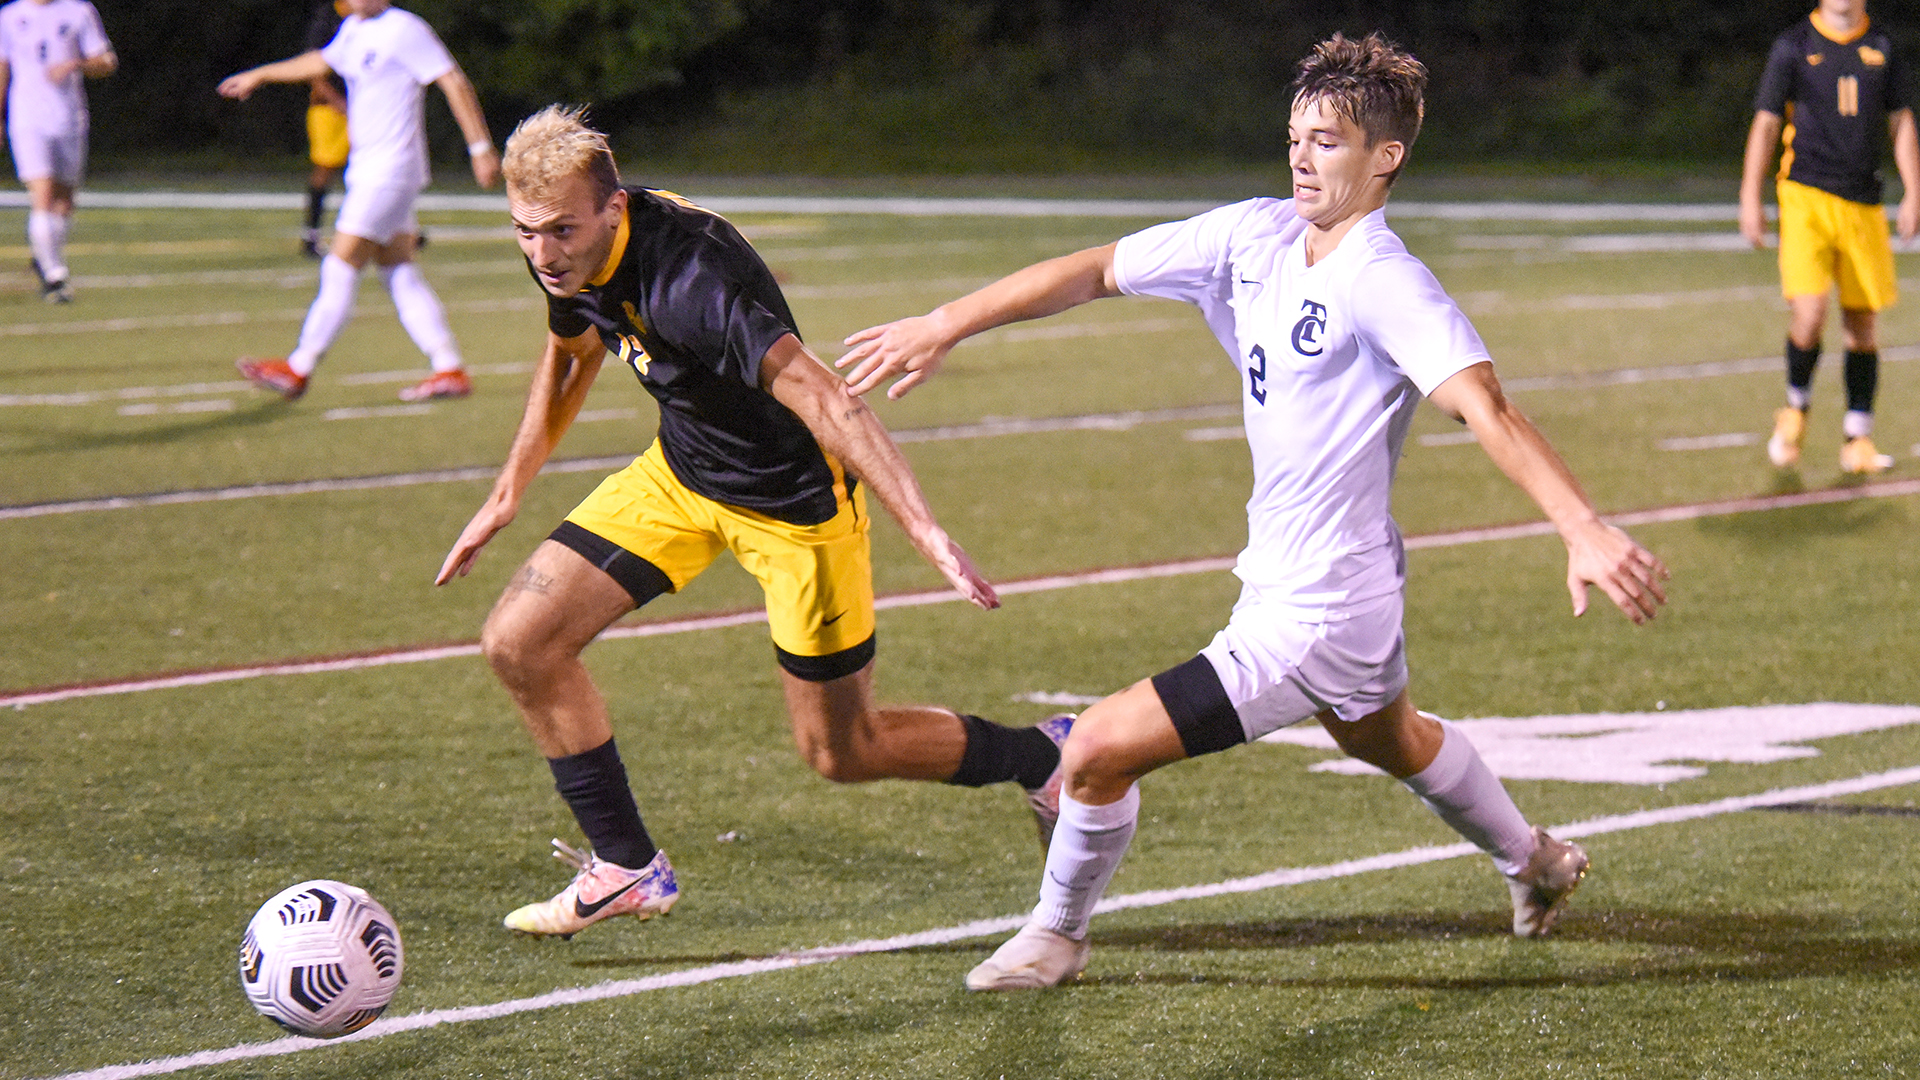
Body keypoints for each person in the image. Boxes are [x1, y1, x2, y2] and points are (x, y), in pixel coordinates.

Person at [839, 32, 1670, 991]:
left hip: (1319, 608)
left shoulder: (1382, 278)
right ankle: (1537, 862)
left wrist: (1581, 525)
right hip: (1328, 582)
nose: (1301, 158)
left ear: (1385, 157)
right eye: (1295, 137)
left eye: (1327, 142)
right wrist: (947, 322)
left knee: (1098, 750)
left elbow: (1485, 404)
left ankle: (1057, 933)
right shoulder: (1254, 236)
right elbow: (1097, 268)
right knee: (1388, 737)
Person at [433, 105, 1073, 938]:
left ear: (614, 208)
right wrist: (509, 488)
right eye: (525, 232)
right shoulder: (562, 252)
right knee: (519, 642)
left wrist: (923, 527)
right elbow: (572, 345)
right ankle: (626, 865)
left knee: (841, 752)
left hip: (793, 507)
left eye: (560, 231)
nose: (543, 253)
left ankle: (1046, 757)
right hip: (681, 476)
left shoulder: (693, 281)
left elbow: (824, 396)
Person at [218, 0, 495, 403]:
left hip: (389, 170)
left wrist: (481, 147)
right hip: (371, 169)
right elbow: (318, 62)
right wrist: (260, 75)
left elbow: (453, 80)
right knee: (397, 268)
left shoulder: (405, 28)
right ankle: (448, 367)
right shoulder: (354, 30)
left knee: (340, 263)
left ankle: (300, 366)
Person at [1739, 0, 1918, 475]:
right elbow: (1766, 122)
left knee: (1862, 325)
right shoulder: (1793, 46)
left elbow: (1900, 120)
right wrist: (1749, 196)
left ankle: (1857, 437)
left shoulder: (1881, 46)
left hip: (1863, 203)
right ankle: (1795, 408)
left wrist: (1914, 191)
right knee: (1811, 311)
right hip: (1805, 197)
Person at [0, 0, 114, 304]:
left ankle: (44, 256)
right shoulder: (10, 16)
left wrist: (77, 64)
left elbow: (106, 62)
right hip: (26, 118)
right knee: (43, 192)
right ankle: (55, 276)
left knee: (64, 201)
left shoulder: (78, 12)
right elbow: (2, 66)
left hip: (68, 118)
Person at [299, 0, 350, 260]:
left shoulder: (370, 20)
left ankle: (398, 229)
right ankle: (311, 235)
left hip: (363, 107)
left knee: (378, 164)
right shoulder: (326, 20)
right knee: (326, 167)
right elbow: (313, 70)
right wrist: (335, 100)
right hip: (329, 108)